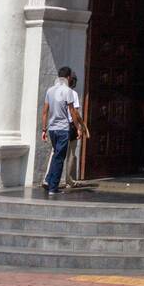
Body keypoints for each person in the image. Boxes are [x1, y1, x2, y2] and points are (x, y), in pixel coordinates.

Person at [41, 67, 83, 197]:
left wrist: (44, 129)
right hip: (63, 129)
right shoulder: (68, 91)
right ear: (68, 77)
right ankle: (53, 187)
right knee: (60, 158)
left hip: (52, 129)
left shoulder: (50, 90)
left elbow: (45, 111)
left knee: (55, 155)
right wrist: (78, 128)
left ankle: (49, 180)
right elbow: (72, 111)